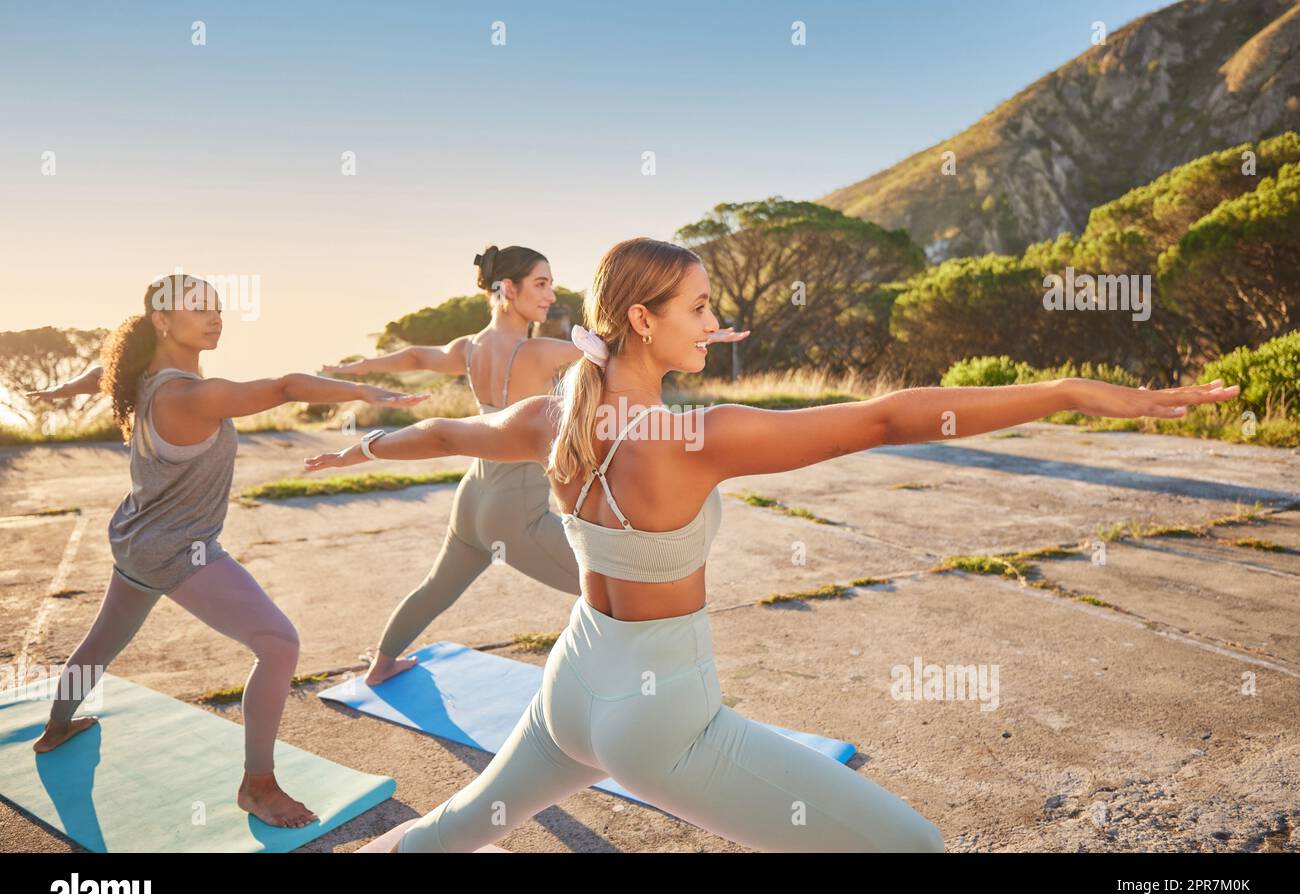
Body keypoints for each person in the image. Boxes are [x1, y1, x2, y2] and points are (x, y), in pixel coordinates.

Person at [303, 237, 1239, 852]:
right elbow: (887, 417)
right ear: (642, 320)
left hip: (574, 685)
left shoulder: (558, 415)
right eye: (700, 308)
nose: (714, 324)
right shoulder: (696, 437)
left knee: (451, 827)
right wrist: (1070, 392)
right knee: (915, 848)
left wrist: (359, 447)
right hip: (660, 719)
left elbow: (446, 434)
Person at [27, 274, 427, 828]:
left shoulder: (142, 377)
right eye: (198, 308)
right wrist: (363, 391)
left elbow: (100, 374)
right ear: (162, 321)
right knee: (279, 644)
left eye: (217, 307)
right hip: (178, 550)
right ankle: (258, 786)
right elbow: (286, 387)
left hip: (134, 538)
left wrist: (61, 391)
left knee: (102, 642)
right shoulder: (193, 395)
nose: (215, 317)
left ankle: (56, 728)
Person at [320, 245, 744, 686]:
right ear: (508, 289)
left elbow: (412, 358)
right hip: (514, 512)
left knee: (436, 588)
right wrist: (701, 336)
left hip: (473, 498)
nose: (550, 295)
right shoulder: (540, 350)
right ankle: (632, 694)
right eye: (540, 284)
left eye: (551, 284)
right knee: (627, 591)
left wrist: (355, 368)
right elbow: (629, 346)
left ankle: (381, 665)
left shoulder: (468, 348)